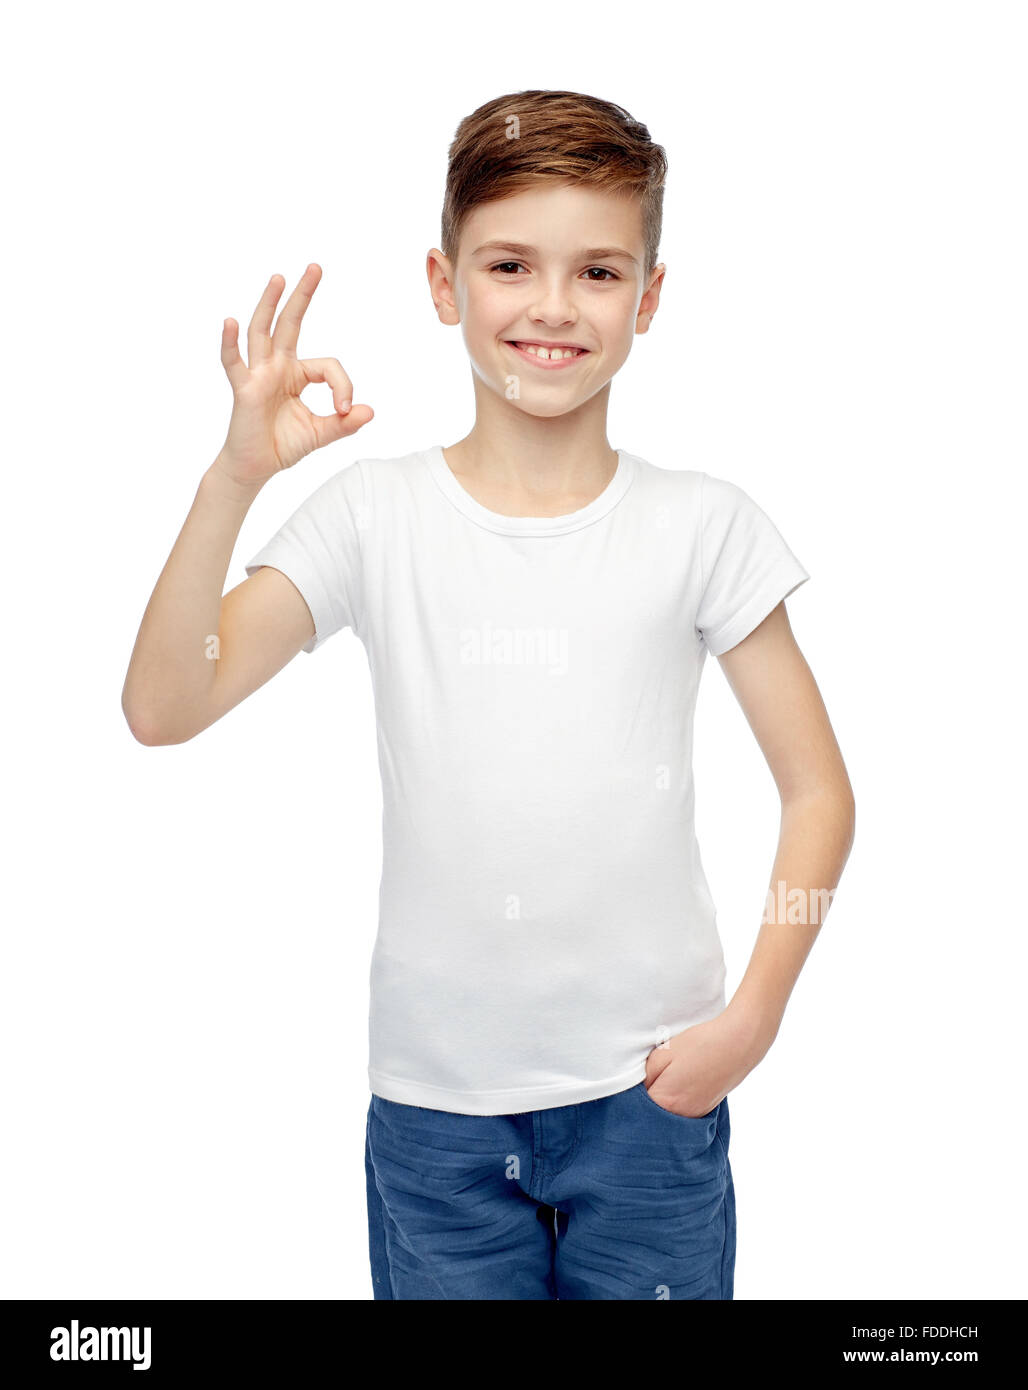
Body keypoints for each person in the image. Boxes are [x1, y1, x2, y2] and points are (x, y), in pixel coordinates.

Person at [121, 88, 855, 1300]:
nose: (552, 308)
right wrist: (234, 476)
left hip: (651, 1098)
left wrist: (751, 1019)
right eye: (510, 264)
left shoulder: (702, 527)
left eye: (599, 271)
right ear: (442, 281)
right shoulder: (372, 516)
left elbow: (817, 790)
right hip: (438, 1119)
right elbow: (165, 705)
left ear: (649, 297)